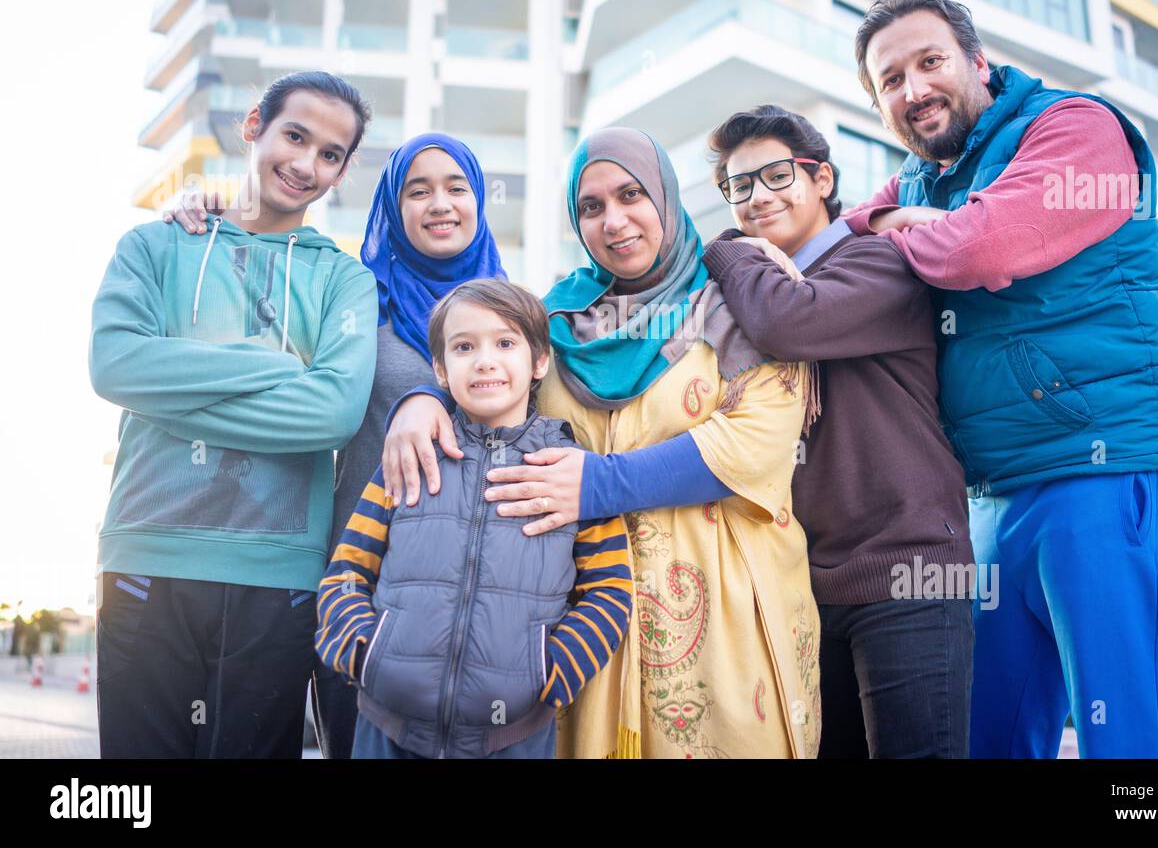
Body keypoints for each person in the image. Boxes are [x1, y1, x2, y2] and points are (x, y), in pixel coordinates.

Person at [846, 0, 1158, 758]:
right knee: (984, 739)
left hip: (1108, 467)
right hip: (991, 497)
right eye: (890, 80)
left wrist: (931, 231)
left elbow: (989, 248)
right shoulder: (915, 184)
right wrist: (902, 221)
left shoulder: (1076, 127)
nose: (914, 90)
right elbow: (837, 250)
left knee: (1136, 745)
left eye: (930, 61)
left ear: (978, 63)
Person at [382, 128, 822, 758]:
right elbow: (486, 392)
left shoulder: (737, 299)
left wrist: (600, 483)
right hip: (585, 623)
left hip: (725, 612)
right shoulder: (555, 320)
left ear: (666, 199)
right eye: (591, 207)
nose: (614, 221)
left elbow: (757, 440)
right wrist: (422, 398)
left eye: (631, 195)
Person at [163, 132, 508, 758]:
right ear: (390, 207)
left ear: (480, 199)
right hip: (364, 585)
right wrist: (219, 206)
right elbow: (263, 303)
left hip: (488, 592)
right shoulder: (352, 297)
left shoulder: (515, 311)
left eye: (457, 187)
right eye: (417, 190)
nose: (440, 204)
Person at [89, 71, 379, 758]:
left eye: (331, 154)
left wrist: (177, 382)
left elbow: (334, 412)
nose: (306, 164)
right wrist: (282, 371)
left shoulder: (343, 278)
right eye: (296, 136)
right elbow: (117, 367)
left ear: (342, 170)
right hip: (145, 559)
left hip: (279, 578)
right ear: (255, 126)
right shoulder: (154, 246)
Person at [700, 104, 974, 758]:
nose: (755, 198)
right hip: (810, 585)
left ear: (821, 178)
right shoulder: (752, 291)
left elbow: (789, 323)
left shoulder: (878, 263)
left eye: (774, 176)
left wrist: (727, 247)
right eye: (737, 188)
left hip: (909, 572)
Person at [316, 279, 633, 758]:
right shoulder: (411, 459)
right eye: (464, 347)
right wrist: (363, 651)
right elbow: (348, 569)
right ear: (441, 369)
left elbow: (610, 589)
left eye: (505, 343)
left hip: (515, 735)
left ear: (540, 362)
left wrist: (552, 670)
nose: (485, 360)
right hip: (387, 728)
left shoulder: (568, 469)